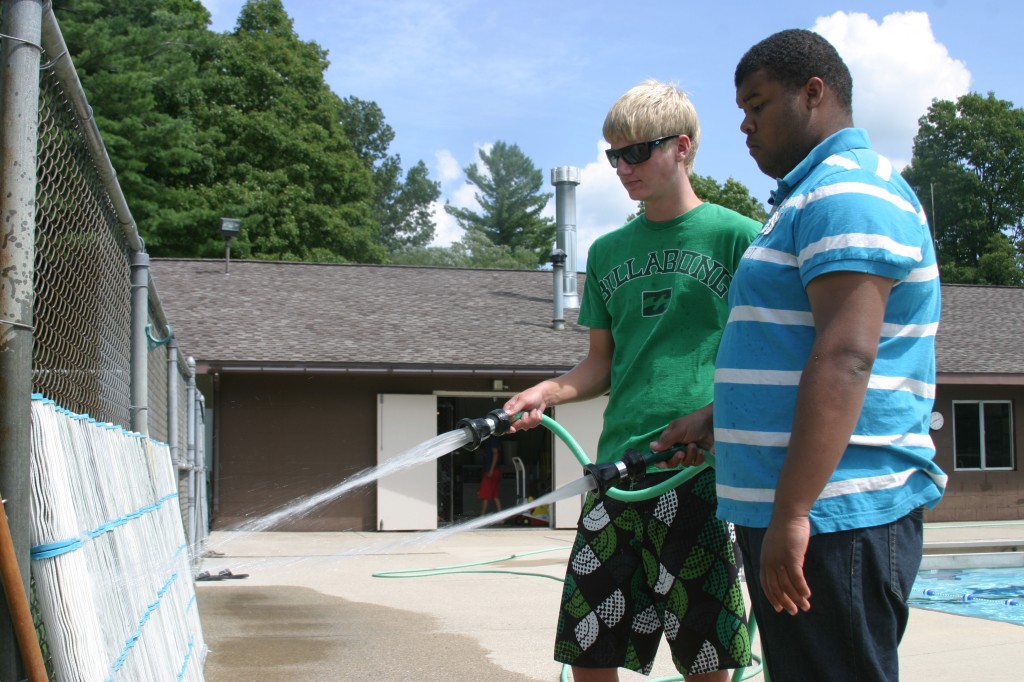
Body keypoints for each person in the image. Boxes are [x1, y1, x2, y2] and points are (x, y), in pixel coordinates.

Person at [666, 29, 947, 681]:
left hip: (831, 510)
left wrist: (794, 511)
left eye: (757, 103)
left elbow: (847, 357)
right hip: (805, 504)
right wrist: (719, 416)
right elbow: (797, 346)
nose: (744, 123)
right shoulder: (807, 198)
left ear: (813, 93)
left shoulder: (847, 193)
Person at [503, 80, 757, 682]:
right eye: (613, 154)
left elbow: (770, 356)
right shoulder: (610, 251)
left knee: (707, 659)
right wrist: (546, 392)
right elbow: (599, 365)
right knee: (589, 653)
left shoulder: (739, 238)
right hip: (615, 475)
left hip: (699, 474)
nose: (622, 168)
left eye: (637, 152)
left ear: (684, 147)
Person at [477, 434, 504, 515]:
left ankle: (482, 517)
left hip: (492, 471)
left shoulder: (493, 439)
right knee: (495, 495)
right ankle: (501, 517)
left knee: (484, 494)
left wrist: (491, 469)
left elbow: (495, 453)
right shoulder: (491, 439)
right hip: (494, 470)